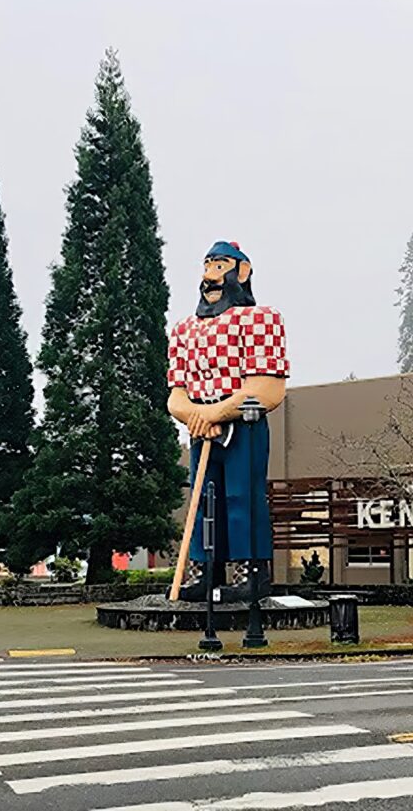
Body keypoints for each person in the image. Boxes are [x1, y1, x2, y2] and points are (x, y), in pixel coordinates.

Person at [166, 240, 289, 602]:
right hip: (201, 430)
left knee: (242, 497)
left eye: (219, 266)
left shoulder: (261, 320)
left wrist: (216, 412)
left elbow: (267, 389)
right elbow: (176, 394)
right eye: (206, 266)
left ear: (242, 271)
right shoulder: (185, 330)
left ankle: (250, 571)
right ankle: (205, 570)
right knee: (203, 501)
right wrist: (196, 414)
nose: (210, 276)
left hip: (243, 426)